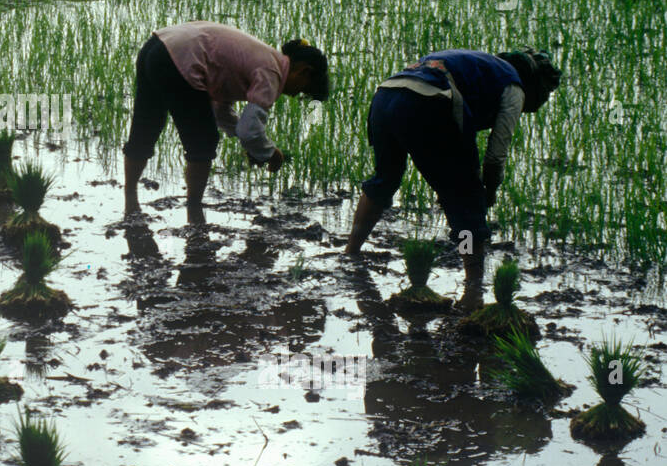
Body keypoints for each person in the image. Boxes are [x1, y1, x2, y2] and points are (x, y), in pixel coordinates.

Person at [344, 47, 562, 309]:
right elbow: (495, 156)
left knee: (385, 178)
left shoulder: (482, 65)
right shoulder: (514, 86)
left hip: (386, 95)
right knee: (465, 199)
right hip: (430, 101)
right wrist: (487, 191)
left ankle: (351, 253)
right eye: (547, 94)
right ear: (535, 84)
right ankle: (473, 289)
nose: (544, 102)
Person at [122, 23, 329, 223]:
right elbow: (250, 130)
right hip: (181, 57)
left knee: (146, 124)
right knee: (203, 142)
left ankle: (130, 200)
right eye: (302, 90)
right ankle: (194, 211)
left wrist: (252, 145)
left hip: (157, 47)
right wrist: (271, 153)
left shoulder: (264, 58)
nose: (294, 96)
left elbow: (221, 112)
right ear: (303, 71)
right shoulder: (272, 72)